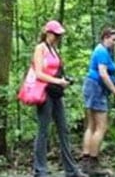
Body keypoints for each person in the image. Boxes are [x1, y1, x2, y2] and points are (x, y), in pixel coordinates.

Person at [31, 20, 85, 177]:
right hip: (44, 92)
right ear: (48, 33)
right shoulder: (40, 49)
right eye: (56, 34)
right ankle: (40, 170)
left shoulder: (55, 49)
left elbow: (57, 71)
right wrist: (57, 81)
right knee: (43, 131)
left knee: (64, 130)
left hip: (56, 93)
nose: (58, 37)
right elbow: (39, 73)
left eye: (59, 35)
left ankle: (71, 169)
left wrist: (65, 80)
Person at [81, 26, 115, 177]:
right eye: (113, 40)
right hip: (96, 88)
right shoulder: (101, 51)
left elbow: (108, 73)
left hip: (93, 87)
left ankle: (86, 161)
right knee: (101, 126)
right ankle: (92, 162)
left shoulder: (106, 52)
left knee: (92, 125)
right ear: (105, 37)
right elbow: (102, 74)